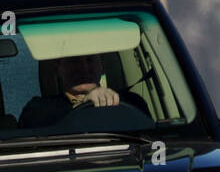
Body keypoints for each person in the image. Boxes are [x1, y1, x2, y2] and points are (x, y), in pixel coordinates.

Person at [18, 54, 150, 128]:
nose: (84, 68)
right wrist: (83, 106)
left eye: (90, 60)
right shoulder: (37, 109)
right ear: (58, 68)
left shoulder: (131, 102)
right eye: (74, 61)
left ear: (102, 67)